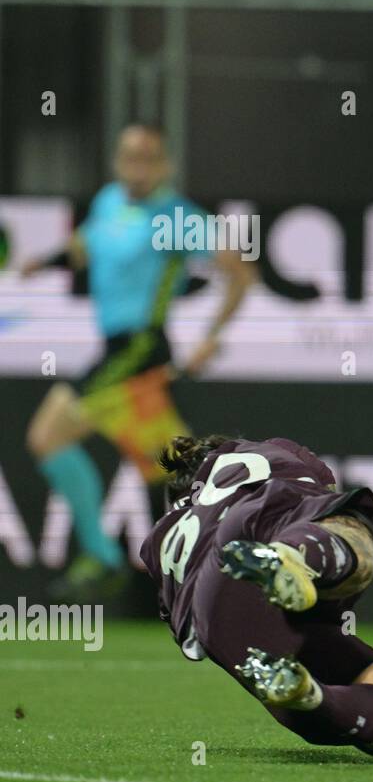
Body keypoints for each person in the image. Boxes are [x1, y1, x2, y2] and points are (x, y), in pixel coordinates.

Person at [20, 124, 256, 597]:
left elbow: (240, 275)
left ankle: (105, 558)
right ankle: (231, 562)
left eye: (148, 157)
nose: (138, 166)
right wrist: (42, 263)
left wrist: (210, 338)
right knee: (170, 467)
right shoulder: (108, 202)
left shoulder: (174, 217)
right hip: (116, 349)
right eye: (130, 156)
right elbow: (83, 247)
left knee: (48, 436)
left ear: (164, 164)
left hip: (141, 348)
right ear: (117, 161)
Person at [141, 434, 373, 763]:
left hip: (216, 620)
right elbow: (317, 487)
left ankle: (313, 696)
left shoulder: (159, 540)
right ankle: (290, 556)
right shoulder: (255, 454)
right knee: (355, 525)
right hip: (254, 529)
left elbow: (189, 639)